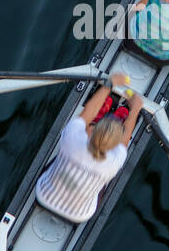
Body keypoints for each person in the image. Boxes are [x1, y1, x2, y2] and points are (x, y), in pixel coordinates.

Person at [35, 72, 143, 223]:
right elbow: (125, 138)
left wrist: (110, 83)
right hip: (79, 215)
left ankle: (100, 114)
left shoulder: (73, 137)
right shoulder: (115, 161)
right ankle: (120, 116)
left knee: (68, 146)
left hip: (43, 196)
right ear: (114, 145)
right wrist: (135, 110)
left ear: (93, 131)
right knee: (103, 182)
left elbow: (88, 112)